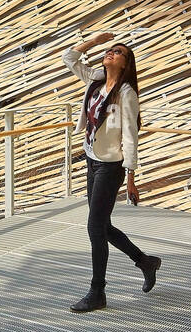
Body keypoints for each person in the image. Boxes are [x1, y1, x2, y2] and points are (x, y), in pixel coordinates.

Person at [62, 30, 161, 312]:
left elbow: (130, 135)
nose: (111, 53)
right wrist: (93, 42)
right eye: (110, 50)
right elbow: (68, 58)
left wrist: (130, 176)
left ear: (126, 64)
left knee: (94, 227)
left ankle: (97, 292)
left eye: (118, 52)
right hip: (92, 159)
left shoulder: (126, 94)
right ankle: (145, 262)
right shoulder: (95, 80)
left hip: (111, 165)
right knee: (102, 226)